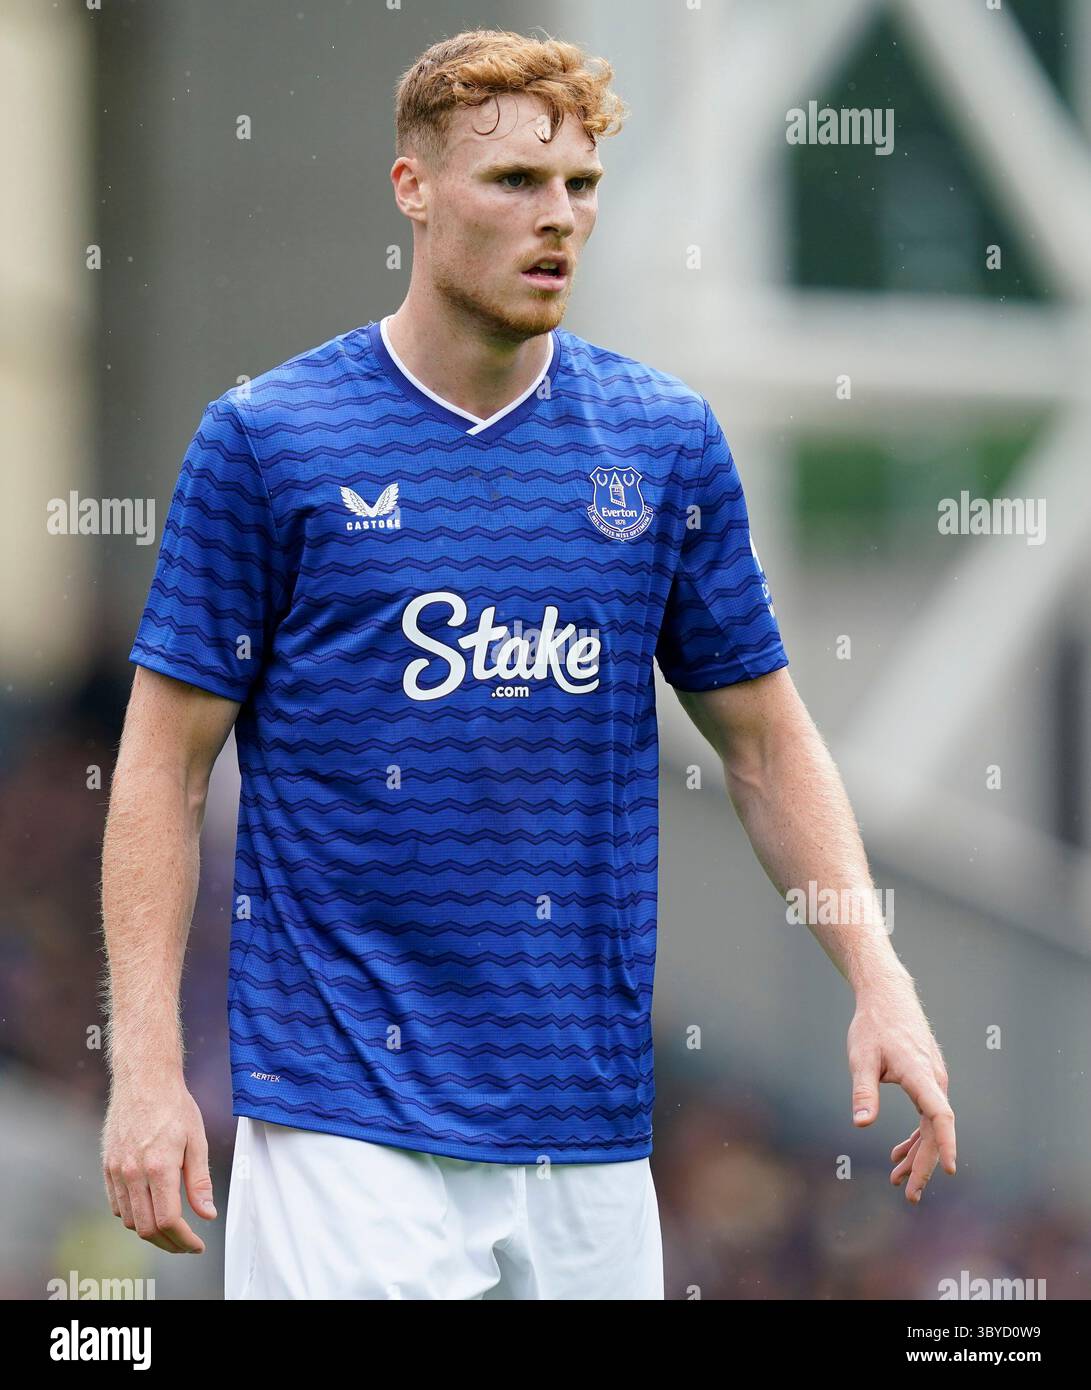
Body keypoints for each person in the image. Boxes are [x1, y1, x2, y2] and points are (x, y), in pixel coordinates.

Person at [99, 27, 956, 1301]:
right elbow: (163, 766)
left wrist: (876, 974)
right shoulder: (269, 440)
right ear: (413, 191)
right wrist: (148, 1070)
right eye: (514, 184)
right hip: (343, 1120)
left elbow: (766, 742)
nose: (557, 217)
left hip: (585, 1125)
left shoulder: (662, 443)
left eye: (580, 186)